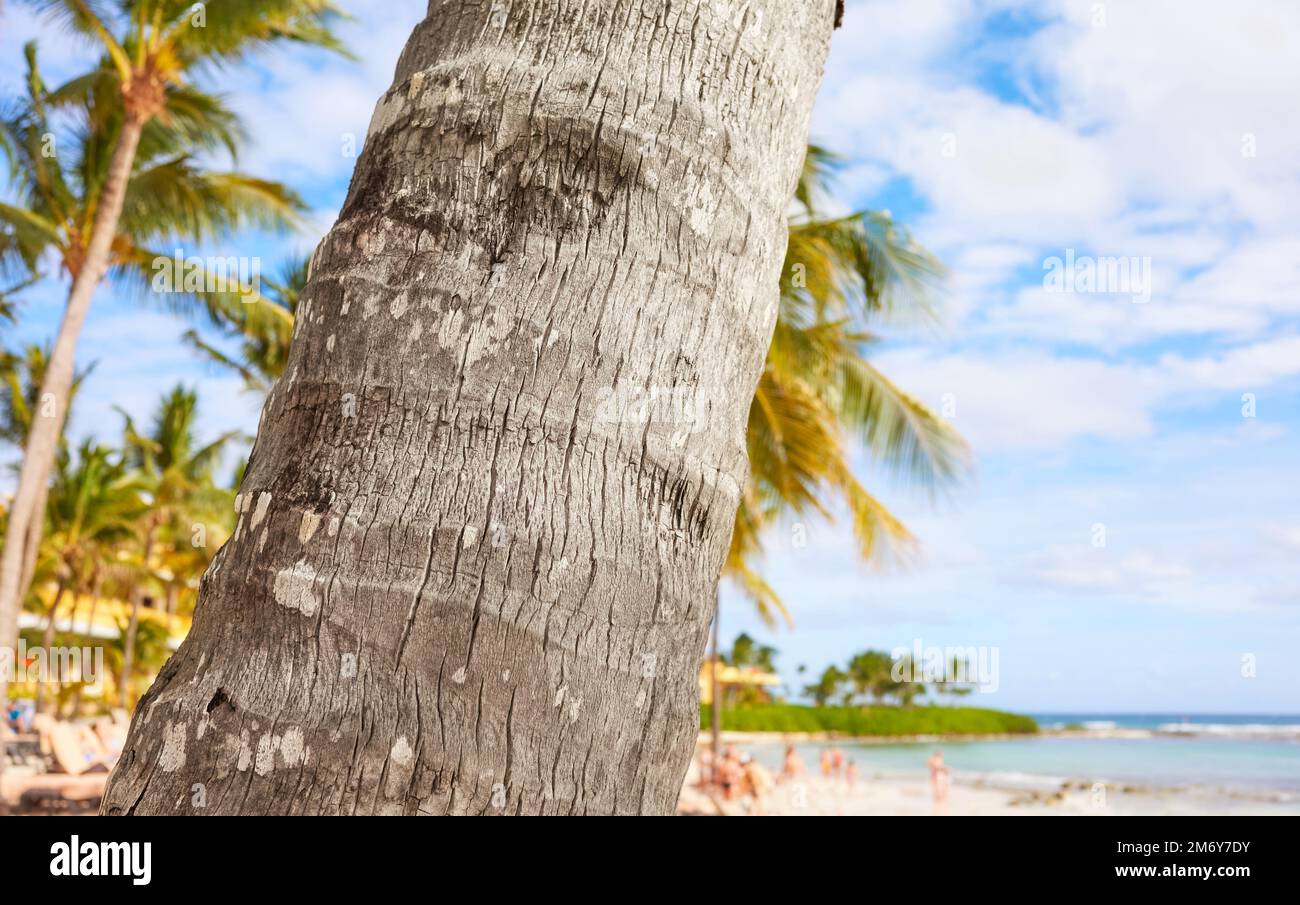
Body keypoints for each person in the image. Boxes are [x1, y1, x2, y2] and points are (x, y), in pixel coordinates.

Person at [928, 750, 951, 814]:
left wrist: (944, 769)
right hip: (937, 775)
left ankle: (939, 802)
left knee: (938, 788)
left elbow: (933, 767)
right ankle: (939, 803)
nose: (942, 756)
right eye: (941, 754)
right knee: (938, 789)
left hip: (936, 775)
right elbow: (937, 768)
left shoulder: (933, 760)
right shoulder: (935, 760)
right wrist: (945, 769)